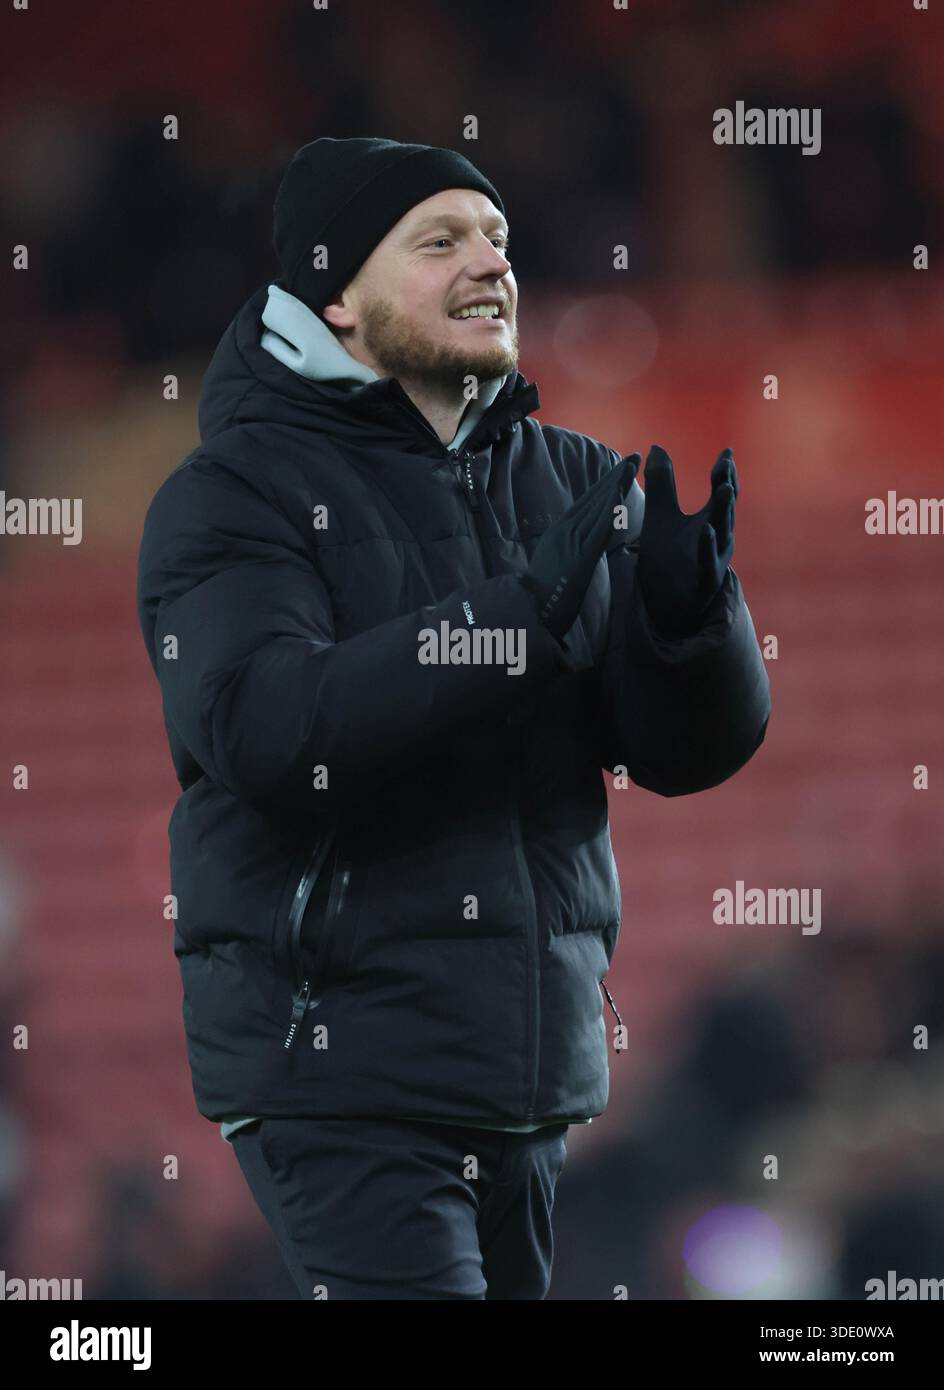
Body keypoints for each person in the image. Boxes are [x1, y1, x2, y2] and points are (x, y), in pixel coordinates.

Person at [136, 136, 770, 1300]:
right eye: (439, 242)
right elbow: (270, 733)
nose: (489, 264)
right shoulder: (232, 493)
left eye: (498, 241)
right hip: (339, 1074)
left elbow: (683, 756)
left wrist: (690, 624)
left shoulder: (567, 475)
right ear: (334, 297)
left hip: (525, 1082)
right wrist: (514, 617)